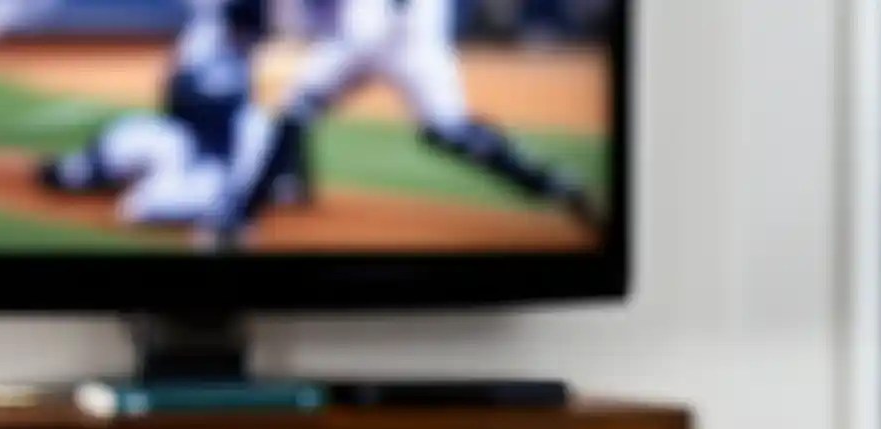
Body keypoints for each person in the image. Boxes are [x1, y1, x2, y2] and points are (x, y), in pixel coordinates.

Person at [215, 0, 601, 246]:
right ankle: (253, 209)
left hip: (403, 42)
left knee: (450, 133)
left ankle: (553, 185)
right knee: (294, 111)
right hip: (369, 38)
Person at [39, 0, 298, 250]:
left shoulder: (259, 66)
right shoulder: (204, 42)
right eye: (242, 26)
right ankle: (81, 171)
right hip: (184, 138)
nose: (245, 34)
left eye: (250, 28)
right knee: (133, 134)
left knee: (141, 207)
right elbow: (177, 94)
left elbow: (271, 128)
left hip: (215, 165)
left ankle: (218, 210)